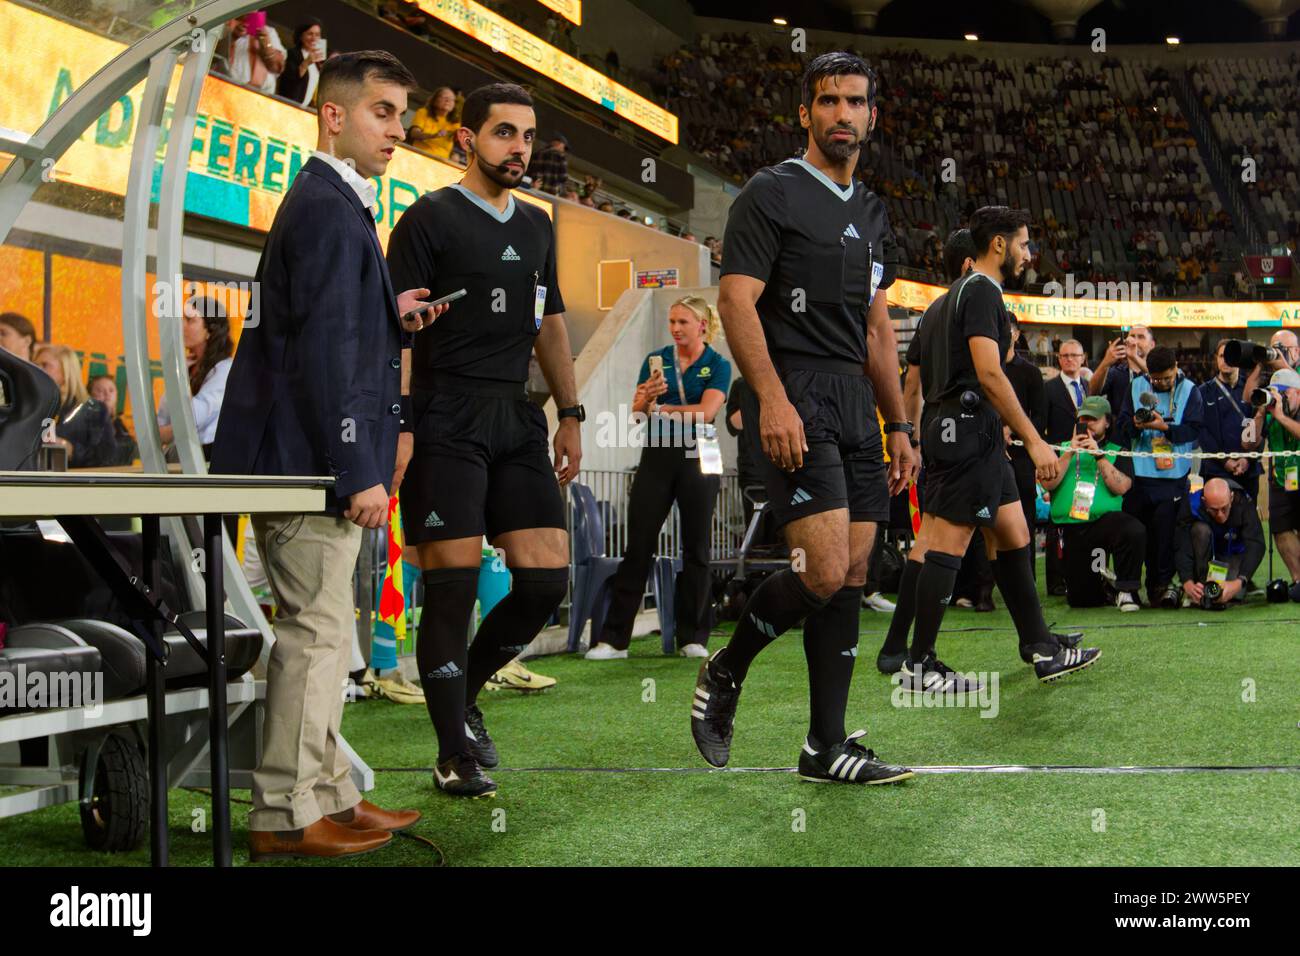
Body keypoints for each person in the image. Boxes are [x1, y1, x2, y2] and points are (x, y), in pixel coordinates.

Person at [211, 50, 439, 861]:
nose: (397, 131)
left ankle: (330, 794)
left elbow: (335, 335)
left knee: (326, 633)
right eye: (382, 112)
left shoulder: (331, 205)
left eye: (402, 116)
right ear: (334, 115)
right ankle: (282, 814)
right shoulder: (327, 208)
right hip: (311, 465)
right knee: (313, 635)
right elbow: (326, 359)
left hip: (306, 458)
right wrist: (359, 471)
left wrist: (392, 312)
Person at [692, 52, 916, 786]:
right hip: (792, 390)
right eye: (828, 102)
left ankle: (825, 748)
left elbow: (879, 332)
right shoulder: (772, 192)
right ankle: (728, 668)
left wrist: (900, 426)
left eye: (855, 102)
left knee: (851, 572)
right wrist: (774, 398)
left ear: (872, 117)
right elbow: (734, 301)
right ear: (805, 114)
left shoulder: (875, 212)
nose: (842, 115)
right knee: (818, 568)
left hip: (855, 400)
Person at [385, 82, 581, 799]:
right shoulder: (426, 219)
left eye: (527, 136)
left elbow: (549, 324)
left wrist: (572, 411)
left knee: (542, 580)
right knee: (451, 590)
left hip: (514, 415)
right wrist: (400, 423)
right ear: (468, 138)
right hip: (444, 418)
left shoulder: (536, 225)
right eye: (504, 133)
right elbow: (395, 331)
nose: (519, 148)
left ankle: (464, 691)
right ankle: (450, 752)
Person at [900, 205, 1100, 689]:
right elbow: (990, 373)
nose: (1029, 256)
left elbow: (920, 381)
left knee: (1012, 533)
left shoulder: (947, 300)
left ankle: (1039, 645)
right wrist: (1034, 442)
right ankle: (918, 662)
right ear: (998, 245)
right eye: (1025, 245)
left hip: (971, 432)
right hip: (968, 435)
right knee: (945, 544)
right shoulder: (984, 291)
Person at [585, 296, 732, 661]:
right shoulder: (656, 361)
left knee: (697, 546)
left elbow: (707, 412)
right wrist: (643, 400)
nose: (676, 329)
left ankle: (693, 636)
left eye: (683, 322)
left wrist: (661, 409)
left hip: (700, 453)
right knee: (638, 545)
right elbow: (637, 417)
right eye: (672, 321)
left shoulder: (718, 364)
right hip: (657, 453)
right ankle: (614, 640)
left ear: (702, 325)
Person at [1114, 345, 1205, 608]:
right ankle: (1128, 588)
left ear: (1176, 367)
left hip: (1173, 477)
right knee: (1134, 534)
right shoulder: (1136, 386)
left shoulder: (1190, 391)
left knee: (1164, 538)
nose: (1161, 382)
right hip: (1139, 475)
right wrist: (1136, 425)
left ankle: (1160, 587)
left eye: (1166, 377)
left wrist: (1164, 427)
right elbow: (1121, 428)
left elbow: (1194, 431)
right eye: (1155, 379)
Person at [1039, 396, 1145, 610]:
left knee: (1133, 529)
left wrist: (1099, 456)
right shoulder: (1060, 448)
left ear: (1107, 422)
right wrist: (1070, 453)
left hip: (1105, 523)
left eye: (1093, 419)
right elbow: (1047, 484)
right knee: (1083, 601)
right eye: (1083, 419)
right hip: (1070, 525)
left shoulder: (1117, 449)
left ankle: (1127, 590)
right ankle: (1104, 587)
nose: (1087, 424)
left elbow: (1122, 487)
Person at [1241, 367, 1300, 599]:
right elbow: (1247, 443)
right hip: (1281, 479)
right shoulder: (1268, 413)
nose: (1281, 398)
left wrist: (1282, 417)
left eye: (1284, 394)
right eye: (1276, 393)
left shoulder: (1283, 414)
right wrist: (1259, 413)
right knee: (1280, 527)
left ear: (1297, 392)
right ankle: (1298, 578)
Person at [156, 293, 233, 459]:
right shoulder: (187, 366)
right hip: (179, 457)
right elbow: (162, 419)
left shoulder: (224, 370)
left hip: (205, 460)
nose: (182, 326)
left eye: (190, 320)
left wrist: (168, 432)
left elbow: (191, 418)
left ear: (210, 330)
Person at [1173, 477, 1264, 609]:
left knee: (1234, 594)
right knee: (1199, 530)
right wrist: (1187, 581)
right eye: (1214, 510)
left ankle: (1241, 583)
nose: (1220, 515)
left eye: (1224, 508)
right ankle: (1200, 585)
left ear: (1231, 498)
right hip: (1205, 553)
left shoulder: (1244, 502)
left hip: (1233, 554)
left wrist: (1240, 581)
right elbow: (1181, 544)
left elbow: (1256, 543)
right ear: (1204, 502)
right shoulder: (1192, 503)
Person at [1042, 338, 1089, 595]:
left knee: (1081, 515)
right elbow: (1041, 427)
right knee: (1056, 520)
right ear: (1058, 359)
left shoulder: (1089, 387)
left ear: (1083, 358)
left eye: (1074, 355)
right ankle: (1056, 581)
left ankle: (1078, 573)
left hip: (1086, 462)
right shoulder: (1048, 389)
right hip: (1060, 459)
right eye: (1065, 355)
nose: (1070, 359)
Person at [32, 344, 117, 469]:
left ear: (66, 371)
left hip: (75, 484)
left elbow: (106, 457)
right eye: (35, 365)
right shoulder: (30, 406)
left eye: (45, 365)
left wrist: (69, 449)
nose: (37, 370)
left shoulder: (93, 410)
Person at [1199, 339, 1262, 501]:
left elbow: (1262, 428)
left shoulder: (1253, 391)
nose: (1226, 360)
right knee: (1217, 520)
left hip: (1248, 470)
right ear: (1216, 359)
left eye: (1231, 356)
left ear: (1239, 360)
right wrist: (1225, 460)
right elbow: (1202, 432)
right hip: (1215, 470)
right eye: (1222, 356)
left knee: (1249, 519)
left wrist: (1247, 459)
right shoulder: (1203, 392)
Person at [1090, 324, 1154, 414]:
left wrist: (1135, 357)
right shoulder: (1115, 372)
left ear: (1152, 344)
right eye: (1132, 337)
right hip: (1121, 426)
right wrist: (1105, 363)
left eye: (1141, 337)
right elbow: (1091, 392)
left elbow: (1159, 377)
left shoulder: (1160, 370)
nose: (1135, 342)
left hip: (1152, 426)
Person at [221, 13, 285, 95]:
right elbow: (214, 55)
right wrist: (232, 36)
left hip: (261, 94)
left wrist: (266, 45)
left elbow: (277, 67)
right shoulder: (226, 23)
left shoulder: (269, 31)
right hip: (228, 89)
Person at [88, 375, 137, 466]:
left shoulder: (119, 424)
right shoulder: (85, 423)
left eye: (111, 390)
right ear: (90, 396)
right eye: (100, 391)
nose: (107, 394)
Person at [277, 18, 325, 107]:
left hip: (303, 108)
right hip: (287, 105)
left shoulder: (317, 61)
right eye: (310, 34)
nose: (314, 38)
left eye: (317, 35)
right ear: (301, 35)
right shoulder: (292, 54)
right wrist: (306, 63)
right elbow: (291, 79)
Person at [407, 87, 459, 162]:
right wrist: (433, 136)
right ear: (435, 100)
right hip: (418, 156)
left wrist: (453, 154)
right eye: (445, 97)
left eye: (452, 99)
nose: (448, 101)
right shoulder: (423, 112)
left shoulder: (455, 123)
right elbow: (414, 133)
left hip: (441, 162)